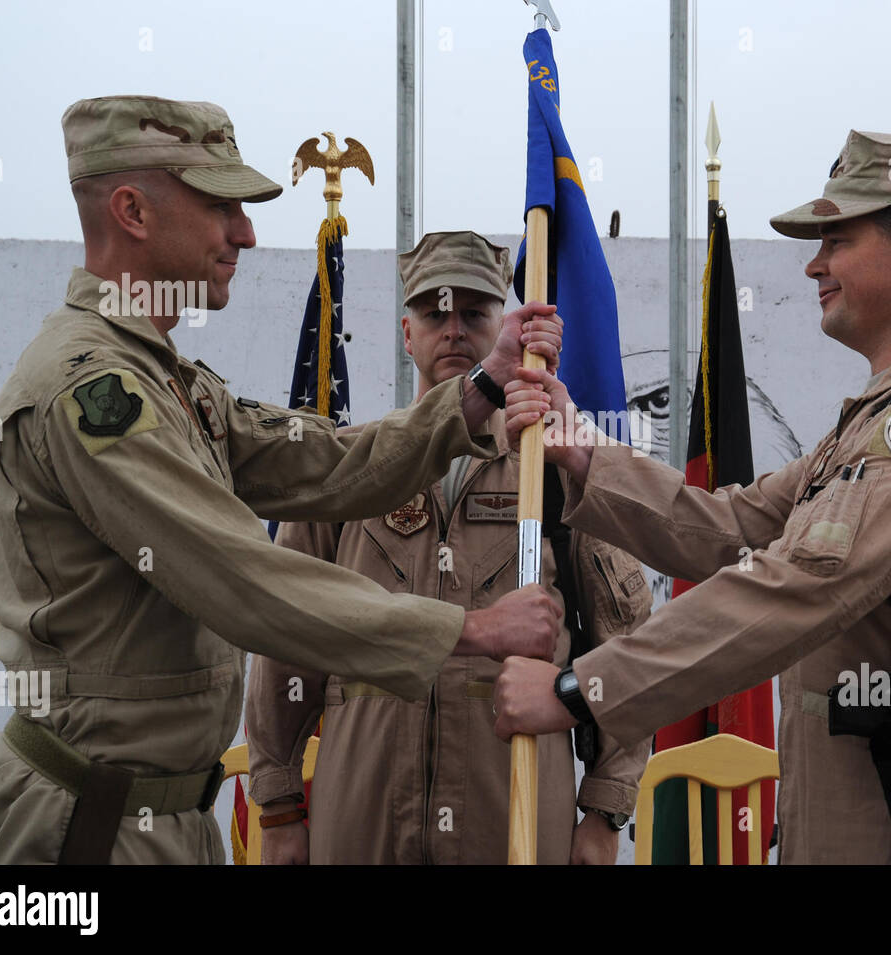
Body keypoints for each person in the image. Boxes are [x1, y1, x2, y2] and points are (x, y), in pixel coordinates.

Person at [0, 95, 564, 865]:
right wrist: (470, 630)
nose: (244, 232)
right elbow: (241, 574)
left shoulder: (168, 380)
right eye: (220, 206)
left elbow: (328, 460)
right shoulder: (91, 393)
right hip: (83, 829)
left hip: (159, 815)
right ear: (132, 210)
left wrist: (478, 388)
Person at [493, 130, 891, 864]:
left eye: (837, 238)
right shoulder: (875, 424)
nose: (813, 263)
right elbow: (727, 524)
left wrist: (582, 691)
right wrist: (584, 454)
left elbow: (796, 584)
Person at [246, 231, 652, 865]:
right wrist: (277, 808)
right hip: (364, 805)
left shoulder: (551, 465)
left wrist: (603, 810)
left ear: (506, 329)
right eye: (435, 314)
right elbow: (285, 632)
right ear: (407, 334)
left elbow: (624, 639)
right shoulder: (350, 465)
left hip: (511, 803)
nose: (454, 330)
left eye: (474, 313)